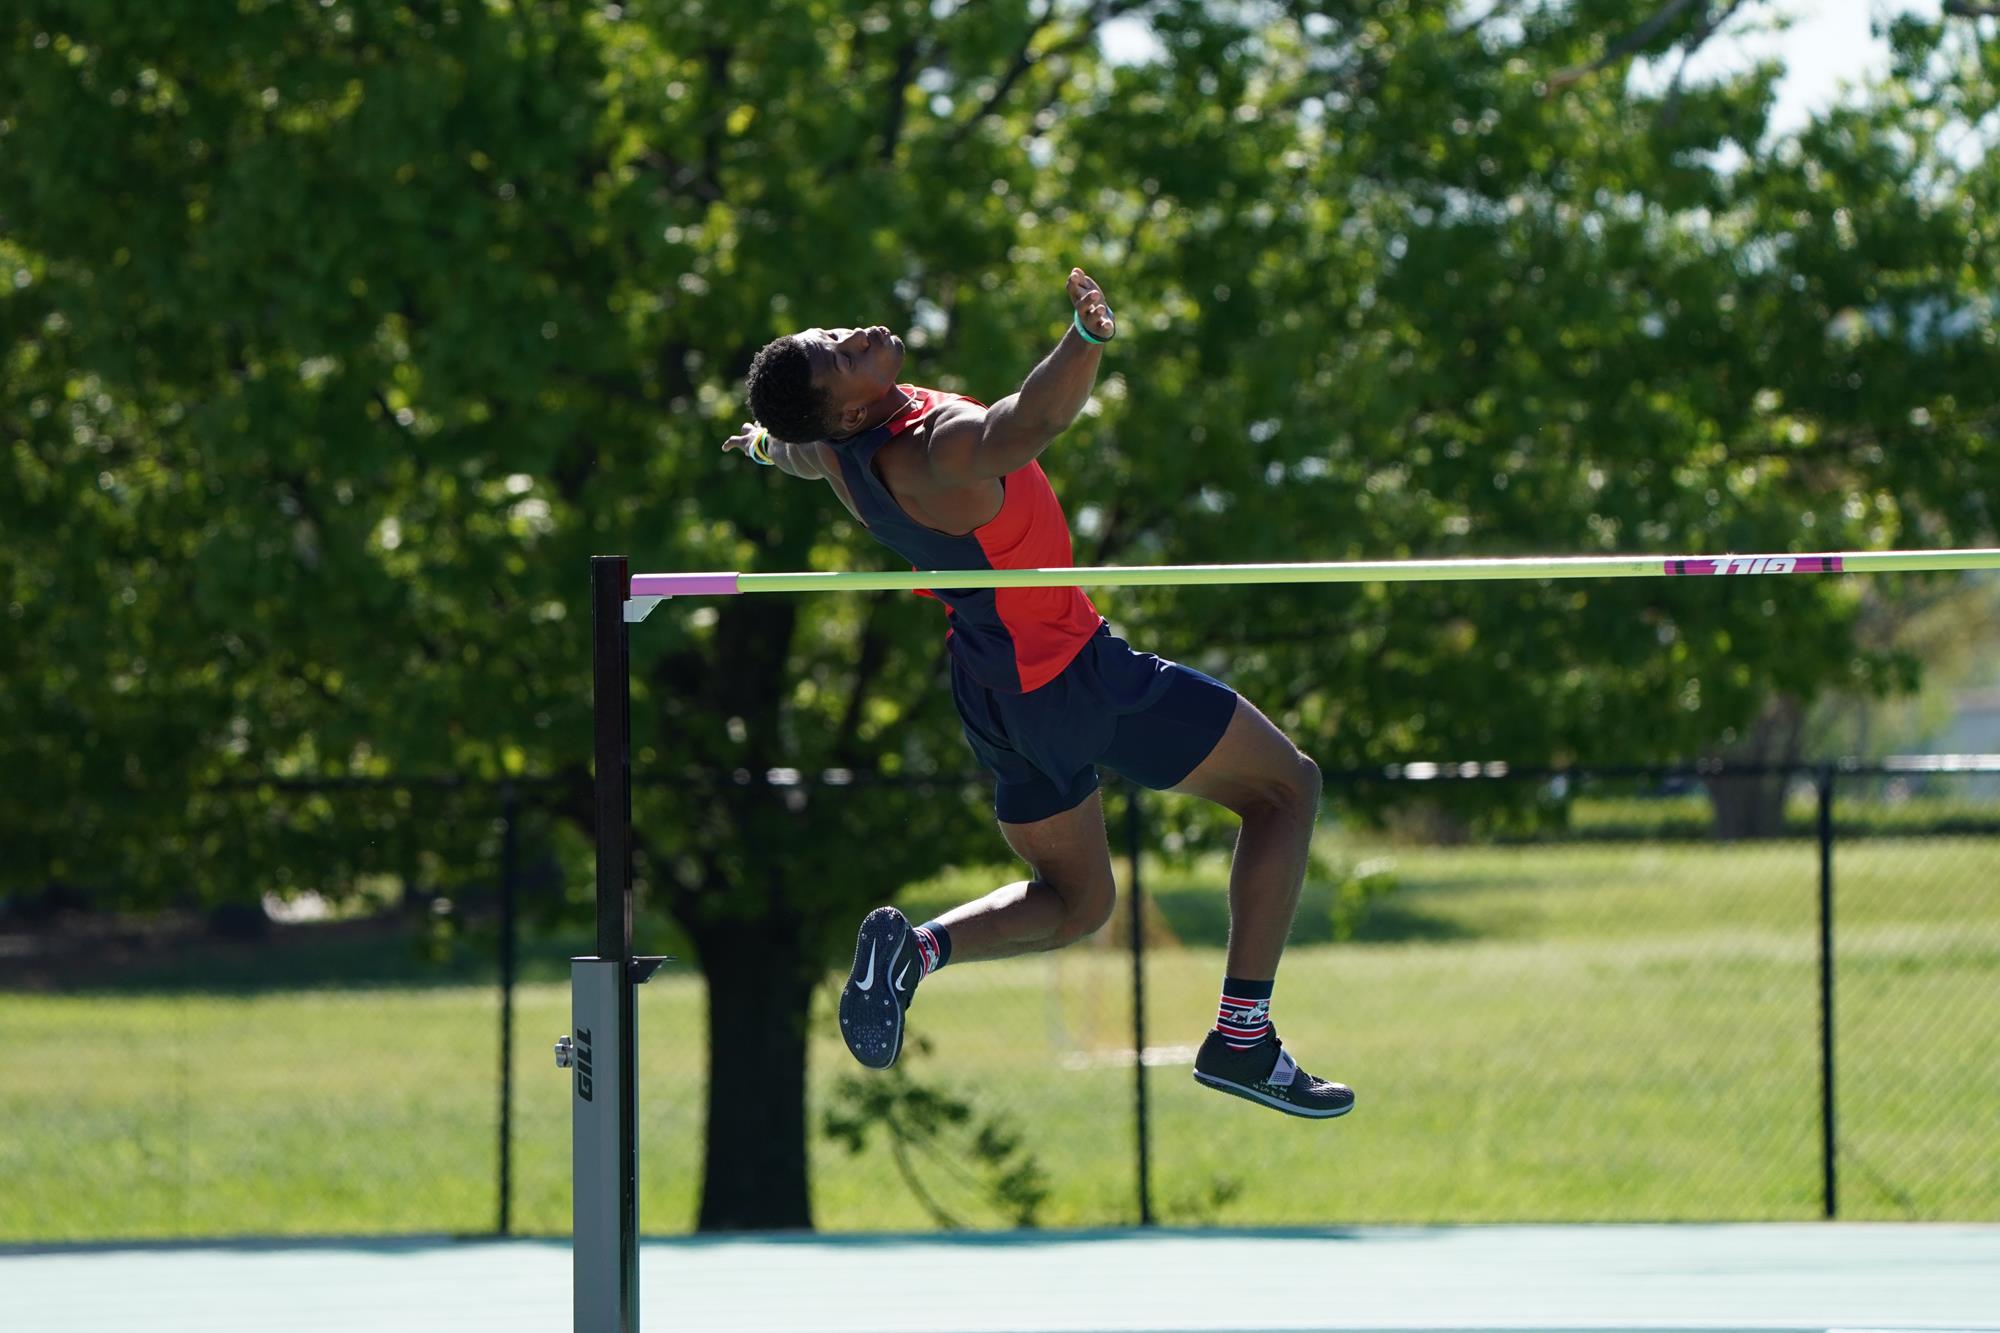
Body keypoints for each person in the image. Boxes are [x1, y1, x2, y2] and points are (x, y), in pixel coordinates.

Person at [725, 267, 1352, 1118]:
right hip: (1069, 671)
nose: (856, 334)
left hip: (991, 685)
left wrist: (762, 445)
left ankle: (917, 951)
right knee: (1287, 787)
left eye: (835, 333)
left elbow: (798, 450)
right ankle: (1242, 1038)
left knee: (1079, 903)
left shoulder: (837, 447)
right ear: (847, 408)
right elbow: (1030, 423)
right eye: (839, 354)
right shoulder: (933, 446)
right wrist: (1085, 339)